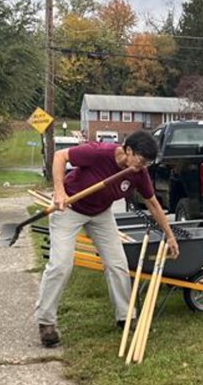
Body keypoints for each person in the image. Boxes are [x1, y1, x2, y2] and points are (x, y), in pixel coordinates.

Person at [34, 131, 180, 347]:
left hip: (100, 213)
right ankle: (46, 322)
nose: (143, 167)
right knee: (61, 265)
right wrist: (59, 192)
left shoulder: (138, 173)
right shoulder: (98, 152)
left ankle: (125, 317)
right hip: (70, 208)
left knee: (118, 264)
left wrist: (170, 236)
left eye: (147, 164)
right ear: (128, 151)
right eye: (141, 161)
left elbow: (153, 204)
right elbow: (60, 156)